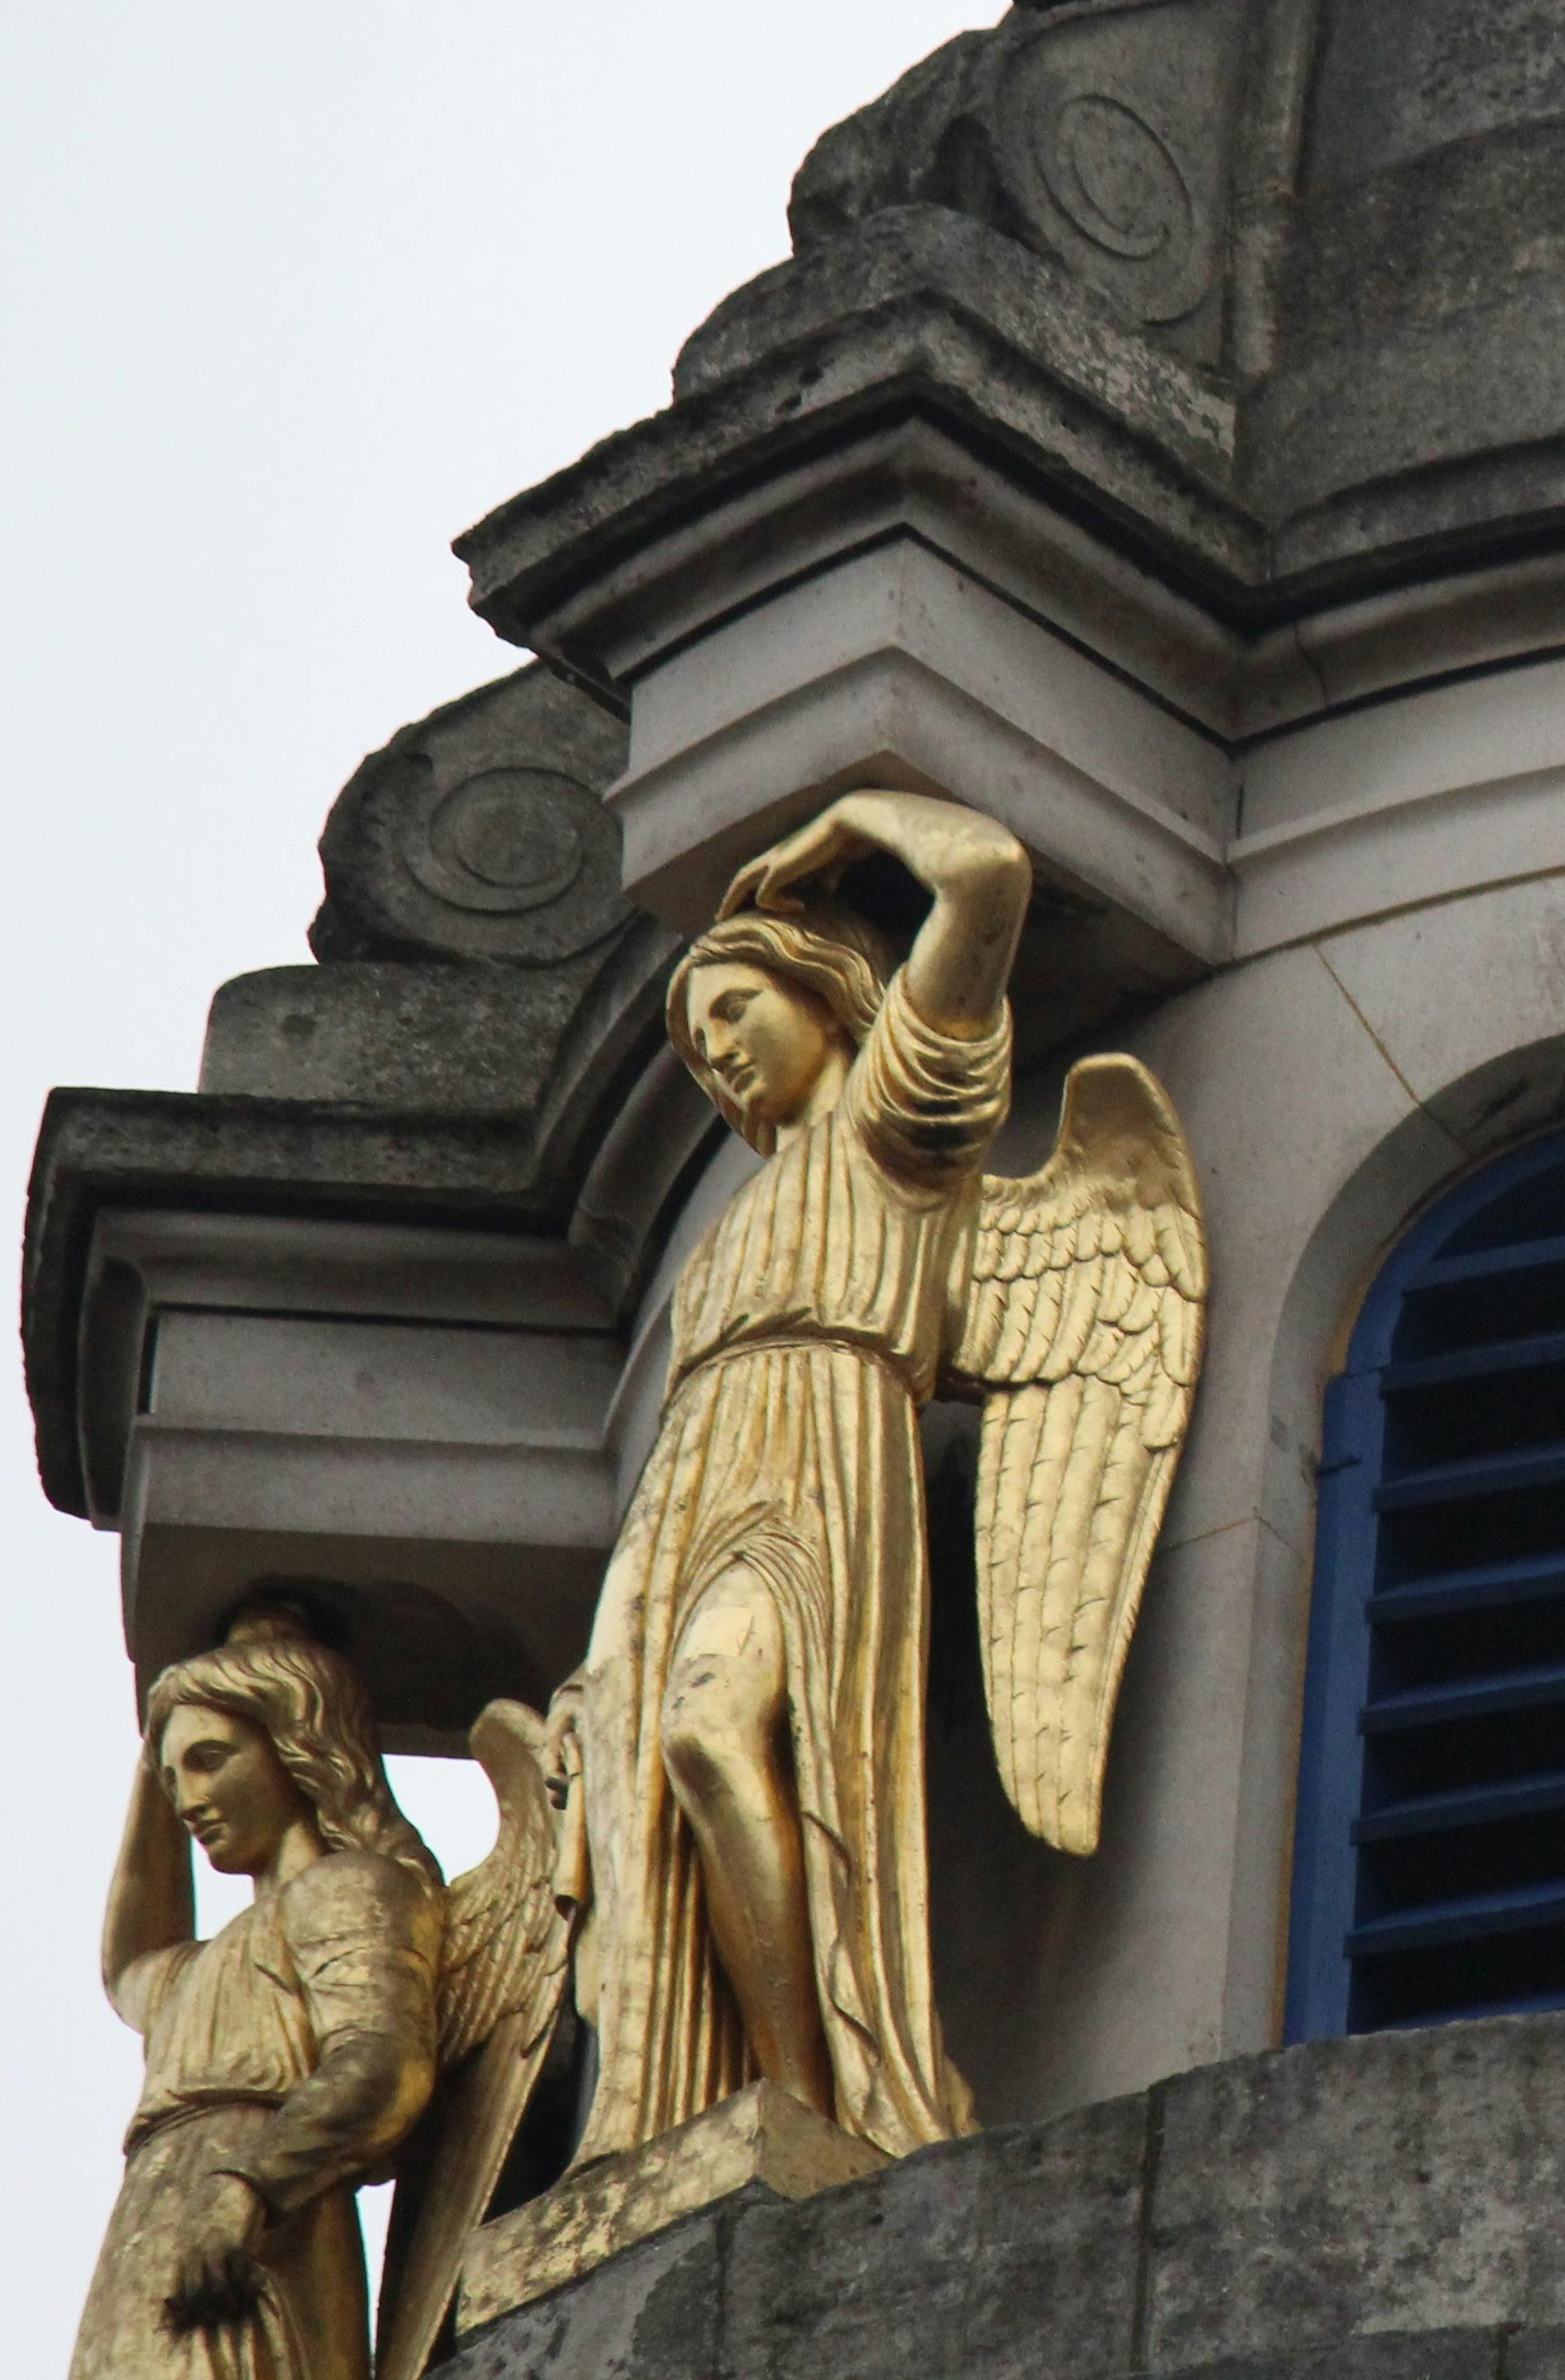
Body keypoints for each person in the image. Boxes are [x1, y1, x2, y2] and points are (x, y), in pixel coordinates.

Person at [562, 790, 1025, 2160]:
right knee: (642, 1793)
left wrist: (850, 823)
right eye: (696, 1041)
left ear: (826, 994)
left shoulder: (893, 1128)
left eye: (735, 1010)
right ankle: (705, 2112)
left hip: (819, 1451)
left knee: (714, 1735)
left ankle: (808, 2099)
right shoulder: (739, 1217)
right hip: (691, 1486)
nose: (715, 1052)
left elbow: (990, 875)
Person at [73, 1611, 443, 2380]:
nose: (186, 1801)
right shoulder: (196, 1968)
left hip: (261, 2218)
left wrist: (250, 2188)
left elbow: (381, 2066)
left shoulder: (346, 1891)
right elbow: (131, 1960)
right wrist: (157, 1746)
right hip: (160, 2214)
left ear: (295, 1747)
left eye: (211, 1761)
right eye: (173, 1779)